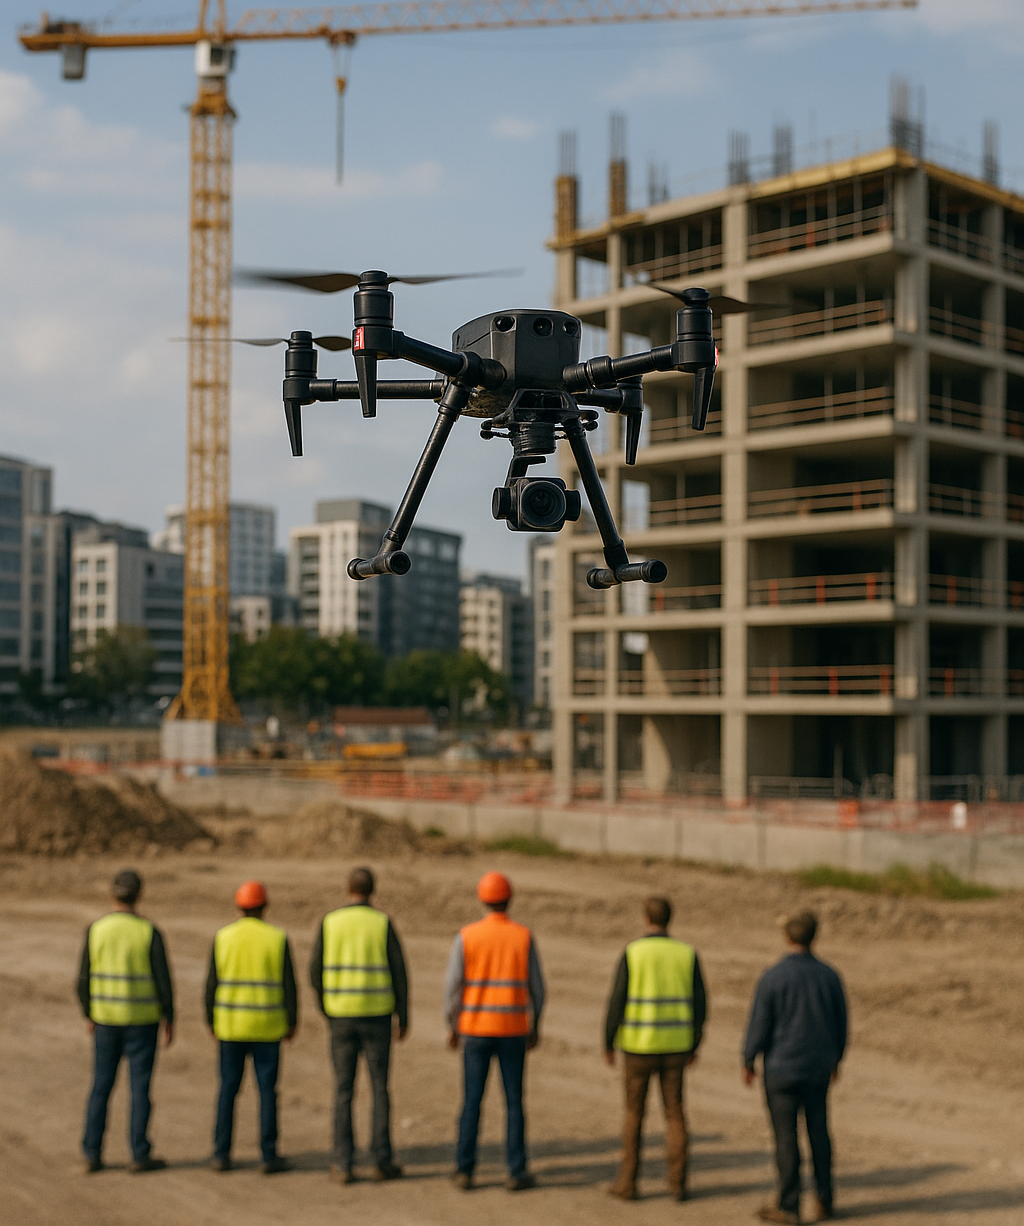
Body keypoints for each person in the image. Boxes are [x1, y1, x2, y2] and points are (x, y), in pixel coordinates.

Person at [742, 910, 848, 1225]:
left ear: (787, 937)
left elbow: (759, 1023)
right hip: (817, 1069)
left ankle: (789, 1205)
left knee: (786, 1139)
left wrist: (749, 1059)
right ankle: (824, 1199)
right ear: (814, 937)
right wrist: (836, 1059)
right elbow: (841, 1024)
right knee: (819, 1134)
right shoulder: (830, 976)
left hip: (781, 1070)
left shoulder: (773, 976)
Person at [445, 870, 545, 1192]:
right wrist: (534, 1025)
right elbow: (539, 989)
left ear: (482, 899)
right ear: (509, 899)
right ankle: (516, 1171)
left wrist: (452, 1024)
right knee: (514, 1102)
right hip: (514, 1030)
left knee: (472, 1101)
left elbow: (452, 987)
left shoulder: (467, 936)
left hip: (474, 1029)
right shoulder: (523, 937)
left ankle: (465, 1170)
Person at [603, 896, 707, 1202]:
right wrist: (695, 1043)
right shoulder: (687, 954)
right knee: (675, 1113)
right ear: (670, 919)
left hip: (638, 1047)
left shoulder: (634, 952)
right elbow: (701, 1005)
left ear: (646, 917)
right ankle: (678, 1183)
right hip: (676, 1046)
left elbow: (617, 999)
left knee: (634, 1113)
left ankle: (628, 1182)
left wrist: (607, 1041)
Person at [309, 865, 409, 1184]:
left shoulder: (330, 922)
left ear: (347, 888)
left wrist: (327, 1005)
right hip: (378, 1017)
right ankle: (382, 1159)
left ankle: (342, 1163)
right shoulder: (382, 923)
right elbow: (399, 973)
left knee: (343, 1091)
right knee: (380, 1089)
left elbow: (314, 970)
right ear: (373, 890)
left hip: (341, 1017)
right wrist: (402, 1015)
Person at [76, 868, 174, 1173]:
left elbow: (82, 979)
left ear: (112, 894)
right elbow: (163, 981)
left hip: (105, 1021)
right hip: (142, 1023)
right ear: (139, 895)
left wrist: (89, 1013)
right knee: (140, 1088)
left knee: (101, 1087)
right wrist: (169, 1019)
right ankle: (139, 1153)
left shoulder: (96, 930)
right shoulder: (149, 932)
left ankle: (92, 1153)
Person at [205, 880, 298, 1174]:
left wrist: (211, 1020)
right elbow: (289, 986)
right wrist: (292, 1022)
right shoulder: (277, 938)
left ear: (238, 906)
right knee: (267, 1092)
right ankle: (268, 1155)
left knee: (228, 1090)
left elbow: (211, 984)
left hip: (231, 1028)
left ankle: (221, 1154)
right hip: (268, 1027)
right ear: (264, 906)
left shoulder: (223, 937)